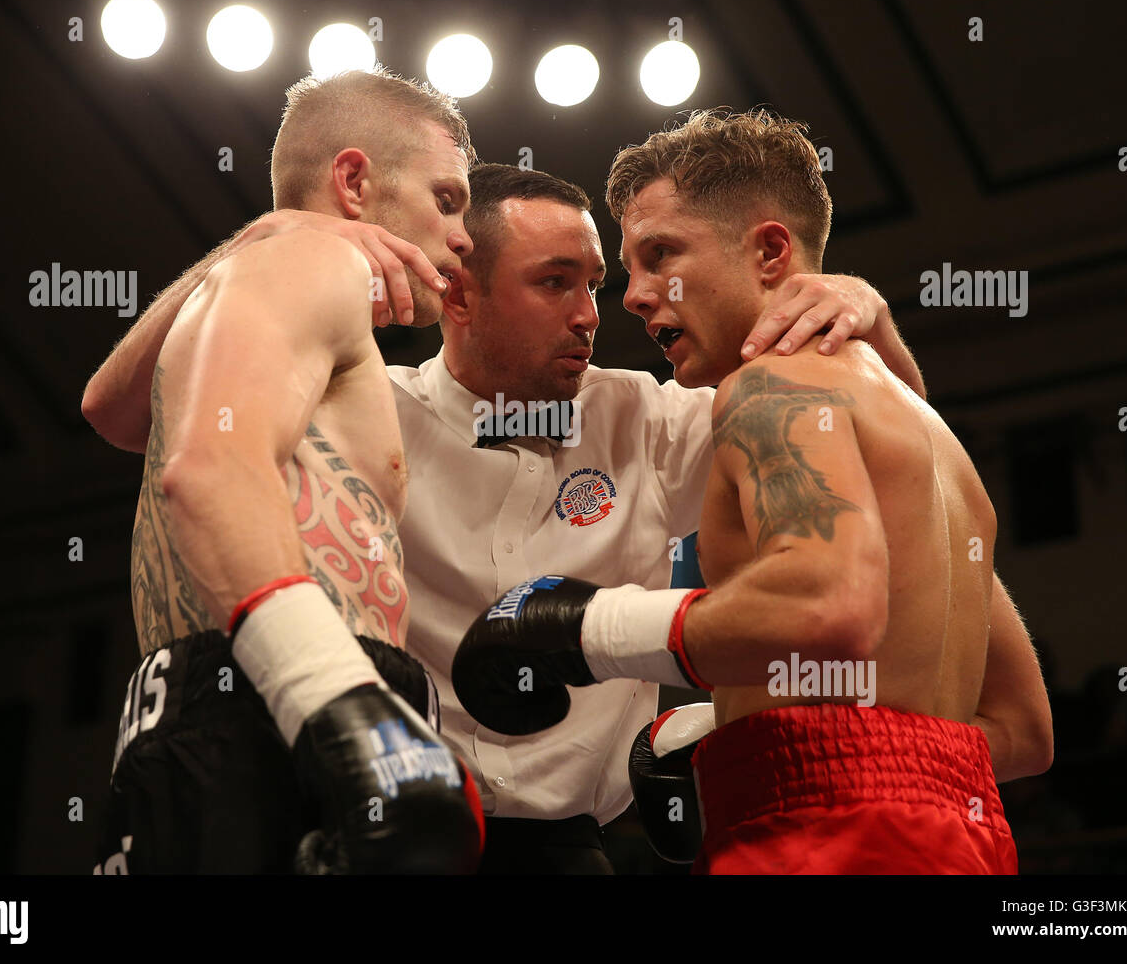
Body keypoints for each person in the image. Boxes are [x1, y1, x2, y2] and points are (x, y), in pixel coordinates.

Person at [86, 164, 927, 873]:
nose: (593, 313)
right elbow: (120, 411)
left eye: (592, 284)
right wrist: (255, 249)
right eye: (555, 281)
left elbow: (896, 464)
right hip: (389, 826)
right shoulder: (365, 416)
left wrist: (868, 321)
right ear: (458, 292)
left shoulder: (647, 419)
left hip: (576, 851)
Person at [451, 109, 1054, 875]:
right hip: (961, 834)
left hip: (824, 840)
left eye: (660, 254)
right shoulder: (929, 437)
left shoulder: (767, 387)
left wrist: (588, 629)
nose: (633, 297)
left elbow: (828, 606)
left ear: (770, 250)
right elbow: (1024, 730)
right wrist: (749, 740)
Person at [90, 68, 484, 875]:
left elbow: (109, 407)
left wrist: (253, 238)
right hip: (283, 698)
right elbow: (207, 467)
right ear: (353, 179)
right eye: (447, 199)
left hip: (219, 705)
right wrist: (342, 705)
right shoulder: (316, 262)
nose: (464, 236)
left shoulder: (264, 267)